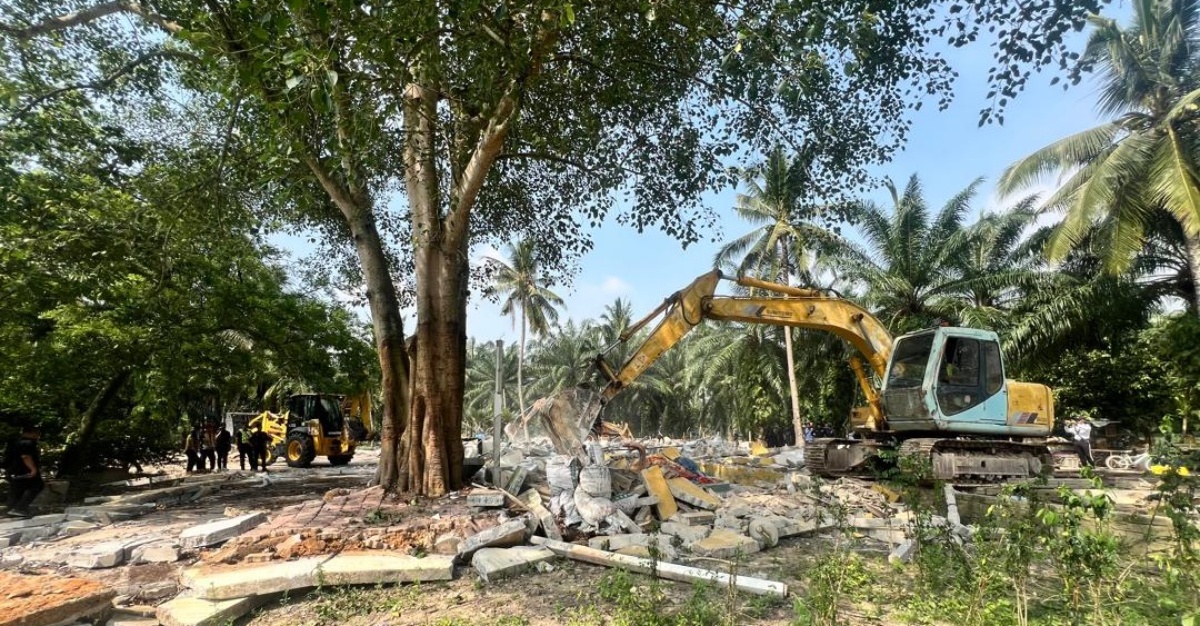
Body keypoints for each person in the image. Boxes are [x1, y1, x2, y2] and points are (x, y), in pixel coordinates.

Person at [3, 424, 44, 518]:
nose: (38, 436)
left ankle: (11, 511)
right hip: (24, 470)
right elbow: (25, 456)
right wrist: (33, 469)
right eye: (37, 433)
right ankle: (19, 508)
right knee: (37, 485)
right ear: (32, 433)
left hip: (11, 469)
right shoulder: (28, 443)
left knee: (17, 489)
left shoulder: (13, 441)